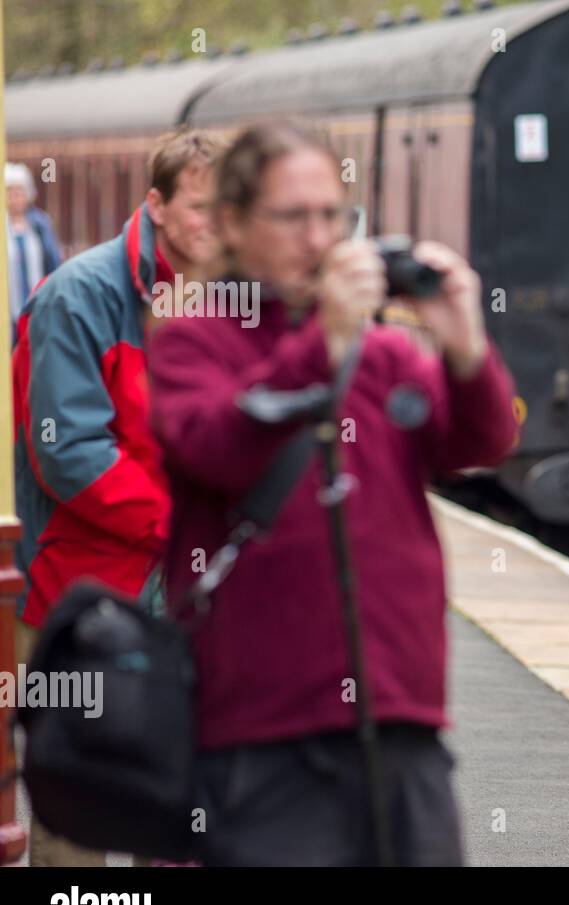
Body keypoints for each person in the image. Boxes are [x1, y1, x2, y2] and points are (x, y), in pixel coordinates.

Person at [147, 119, 519, 866]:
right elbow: (217, 446)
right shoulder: (196, 338)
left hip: (398, 709)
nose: (317, 238)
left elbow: (478, 445)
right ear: (232, 225)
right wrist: (326, 340)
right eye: (292, 217)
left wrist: (466, 348)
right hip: (263, 727)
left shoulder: (382, 353)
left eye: (331, 216)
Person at [11, 128, 224, 866]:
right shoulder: (81, 295)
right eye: (202, 207)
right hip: (84, 599)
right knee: (81, 813)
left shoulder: (239, 297)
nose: (219, 226)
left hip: (196, 596)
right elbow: (67, 450)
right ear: (157, 205)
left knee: (189, 810)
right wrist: (187, 526)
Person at [6, 162, 62, 340]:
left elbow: (52, 262)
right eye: (10, 192)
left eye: (20, 192)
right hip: (8, 310)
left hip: (36, 304)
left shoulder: (39, 224)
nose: (16, 198)